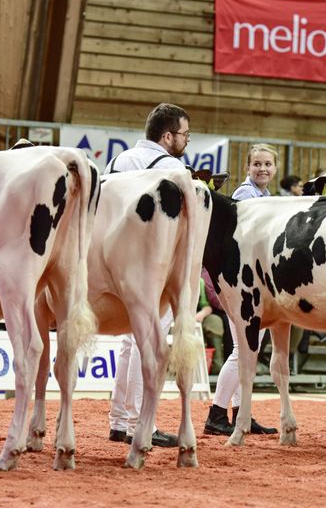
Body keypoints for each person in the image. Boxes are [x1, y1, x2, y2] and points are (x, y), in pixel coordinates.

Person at [106, 102, 190, 448]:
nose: (187, 140)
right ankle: (142, 421)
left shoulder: (117, 161)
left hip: (111, 261)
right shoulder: (171, 167)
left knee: (130, 340)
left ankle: (119, 420)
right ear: (168, 136)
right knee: (150, 340)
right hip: (152, 262)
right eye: (184, 134)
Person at [204, 143, 279, 436]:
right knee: (243, 350)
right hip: (242, 284)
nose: (262, 169)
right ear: (248, 167)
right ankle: (217, 414)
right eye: (257, 164)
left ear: (274, 168)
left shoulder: (264, 196)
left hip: (254, 283)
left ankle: (240, 414)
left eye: (267, 164)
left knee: (247, 350)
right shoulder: (245, 196)